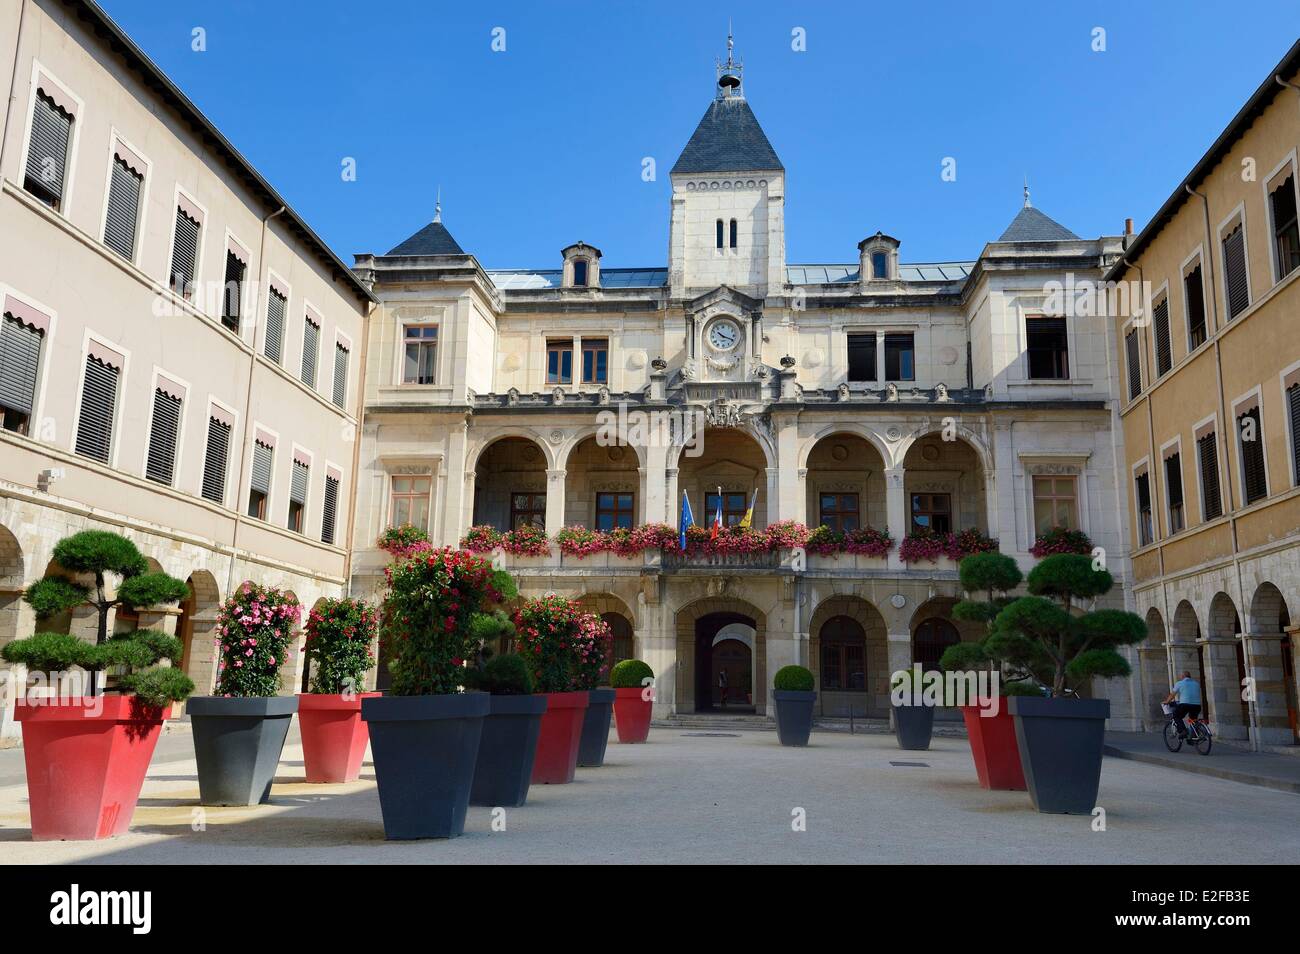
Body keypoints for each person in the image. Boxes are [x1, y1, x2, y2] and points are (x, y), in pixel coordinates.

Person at [1164, 671, 1202, 738]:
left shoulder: (1179, 683)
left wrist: (1167, 701)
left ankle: (1183, 731)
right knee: (1193, 719)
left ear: (1182, 677)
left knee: (1176, 715)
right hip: (1197, 705)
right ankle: (1195, 736)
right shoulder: (1196, 683)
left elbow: (1172, 695)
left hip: (1185, 704)